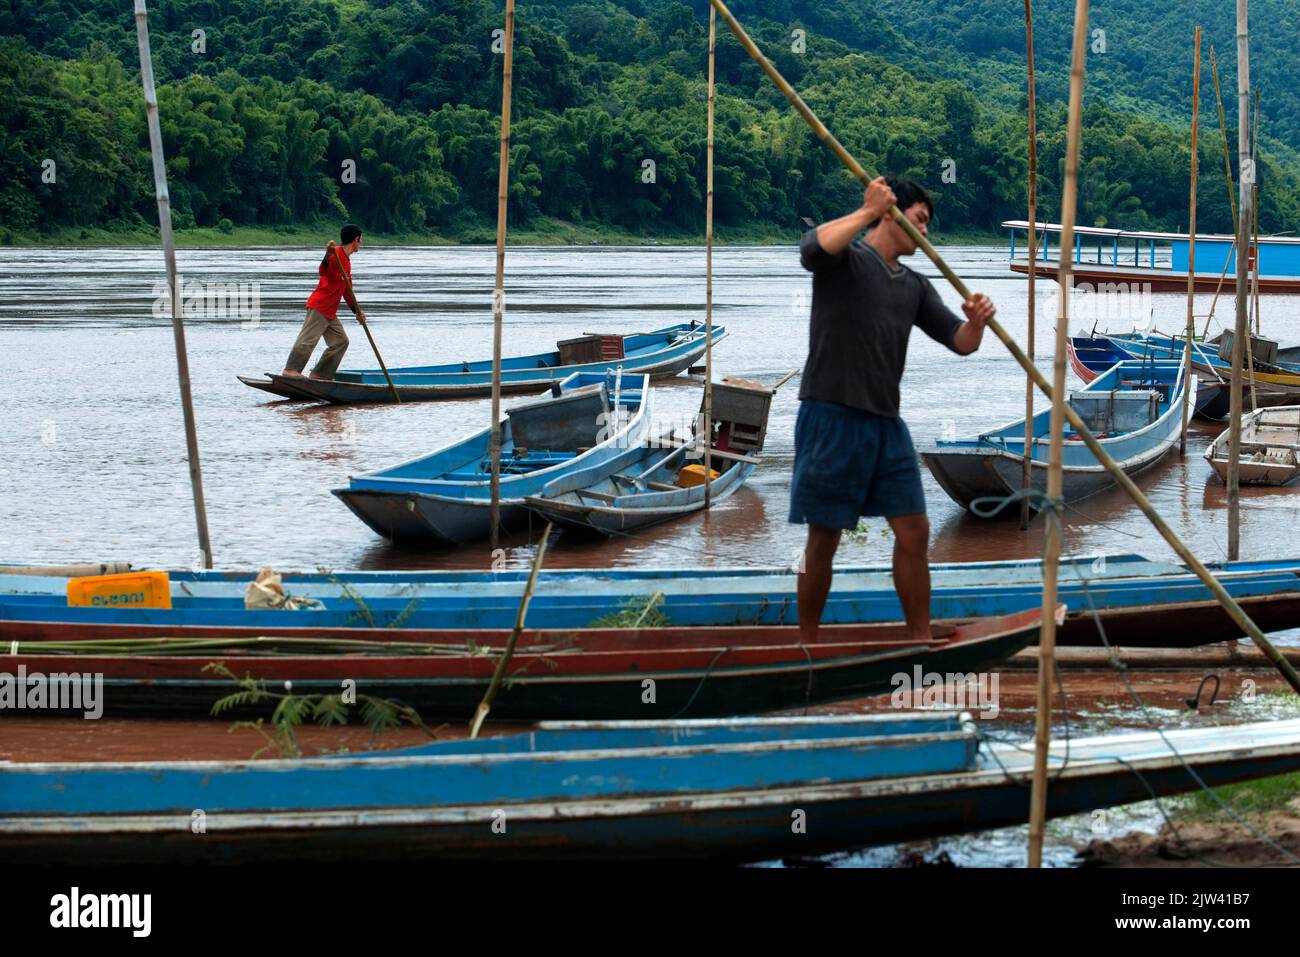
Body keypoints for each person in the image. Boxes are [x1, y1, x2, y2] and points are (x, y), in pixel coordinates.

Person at [791, 176, 996, 644]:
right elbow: (810, 250)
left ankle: (919, 639)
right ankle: (806, 644)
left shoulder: (915, 286)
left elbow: (958, 342)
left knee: (914, 530)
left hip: (885, 423)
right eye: (919, 220)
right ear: (891, 213)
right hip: (830, 414)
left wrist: (977, 322)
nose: (925, 234)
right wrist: (866, 211)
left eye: (928, 224)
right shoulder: (847, 259)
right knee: (824, 538)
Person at [283, 224, 366, 379]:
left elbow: (347, 292)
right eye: (360, 240)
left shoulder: (347, 263)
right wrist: (327, 255)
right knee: (308, 341)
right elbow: (323, 271)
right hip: (320, 306)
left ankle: (318, 375)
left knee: (341, 342)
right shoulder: (337, 253)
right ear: (356, 239)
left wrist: (357, 312)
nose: (360, 244)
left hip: (330, 311)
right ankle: (291, 370)